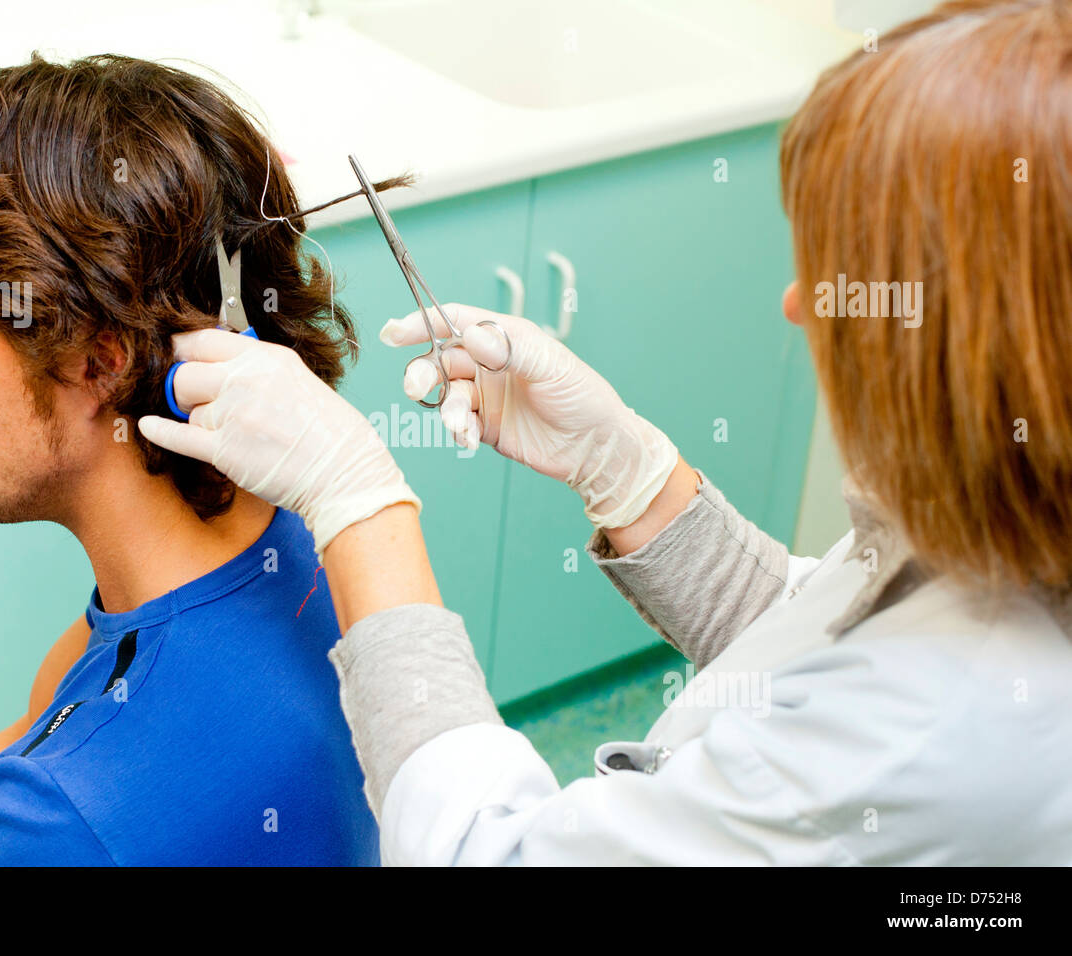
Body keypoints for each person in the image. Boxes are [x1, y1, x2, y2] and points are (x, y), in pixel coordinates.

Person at [139, 0, 1072, 864]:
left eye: (840, 274)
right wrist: (629, 472)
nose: (796, 304)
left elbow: (487, 855)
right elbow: (808, 635)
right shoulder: (1013, 548)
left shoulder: (927, 737)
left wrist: (359, 502)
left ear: (977, 337)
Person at [0, 53, 387, 865]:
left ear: (98, 363)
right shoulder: (287, 529)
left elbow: (46, 789)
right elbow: (32, 729)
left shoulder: (64, 822)